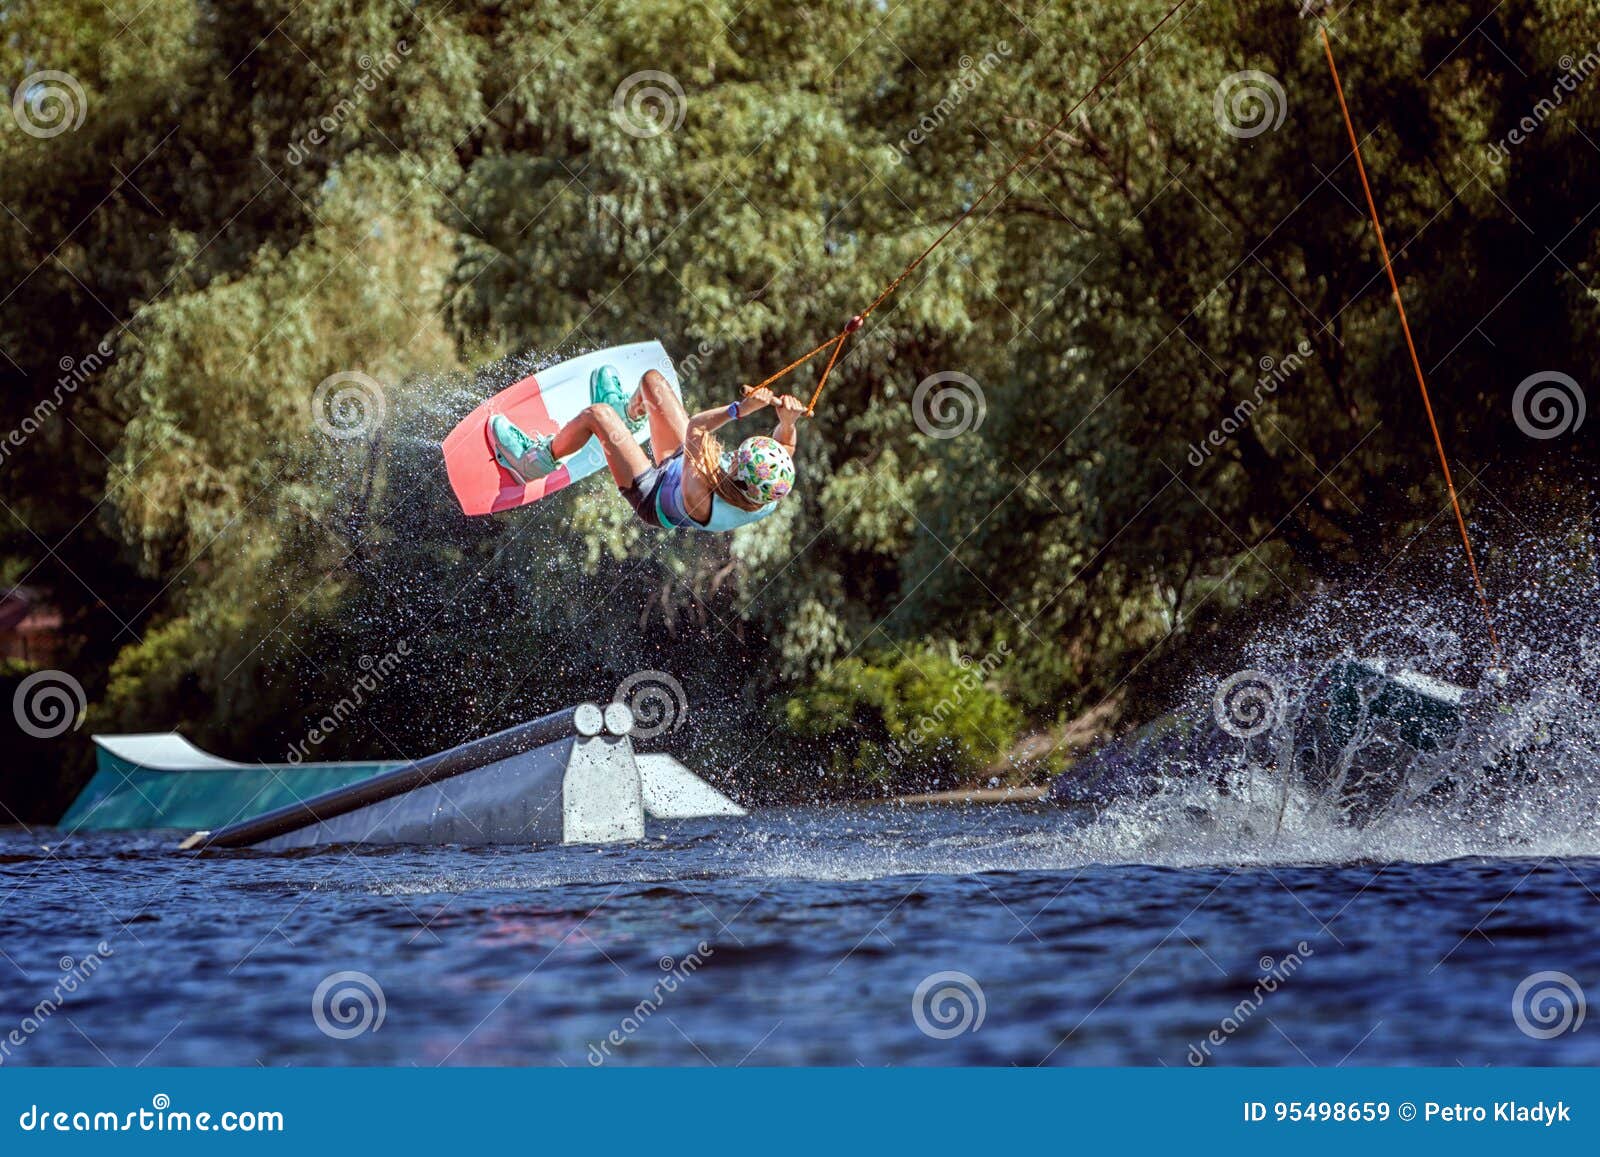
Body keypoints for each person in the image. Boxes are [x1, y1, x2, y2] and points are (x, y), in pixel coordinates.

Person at [488, 364, 803, 532]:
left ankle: (535, 462)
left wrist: (740, 410)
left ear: (739, 478)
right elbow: (786, 446)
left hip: (653, 493)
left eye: (737, 460)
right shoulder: (770, 488)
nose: (734, 456)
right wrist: (787, 422)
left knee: (598, 415)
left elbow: (697, 427)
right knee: (652, 382)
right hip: (681, 464)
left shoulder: (701, 500)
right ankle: (629, 414)